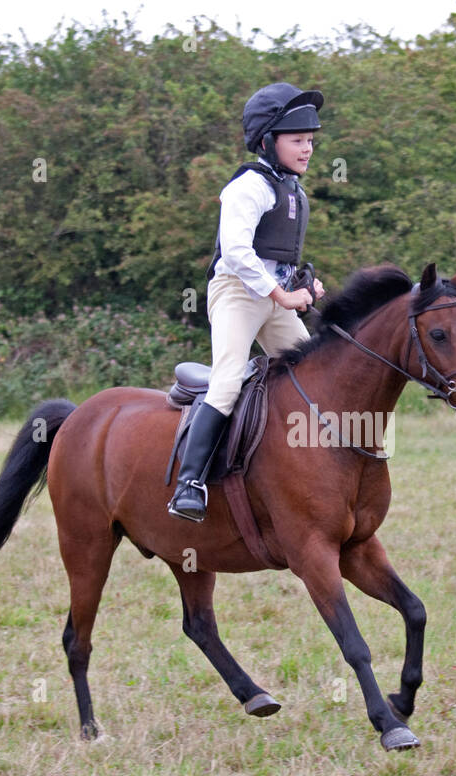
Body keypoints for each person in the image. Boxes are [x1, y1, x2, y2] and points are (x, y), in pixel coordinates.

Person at [167, 82, 327, 521]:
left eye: (310, 140)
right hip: (236, 294)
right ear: (267, 142)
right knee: (229, 378)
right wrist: (281, 294)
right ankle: (190, 483)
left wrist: (303, 286)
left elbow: (277, 259)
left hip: (273, 296)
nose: (307, 149)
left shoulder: (292, 190)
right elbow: (237, 253)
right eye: (297, 140)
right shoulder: (248, 187)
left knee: (312, 375)